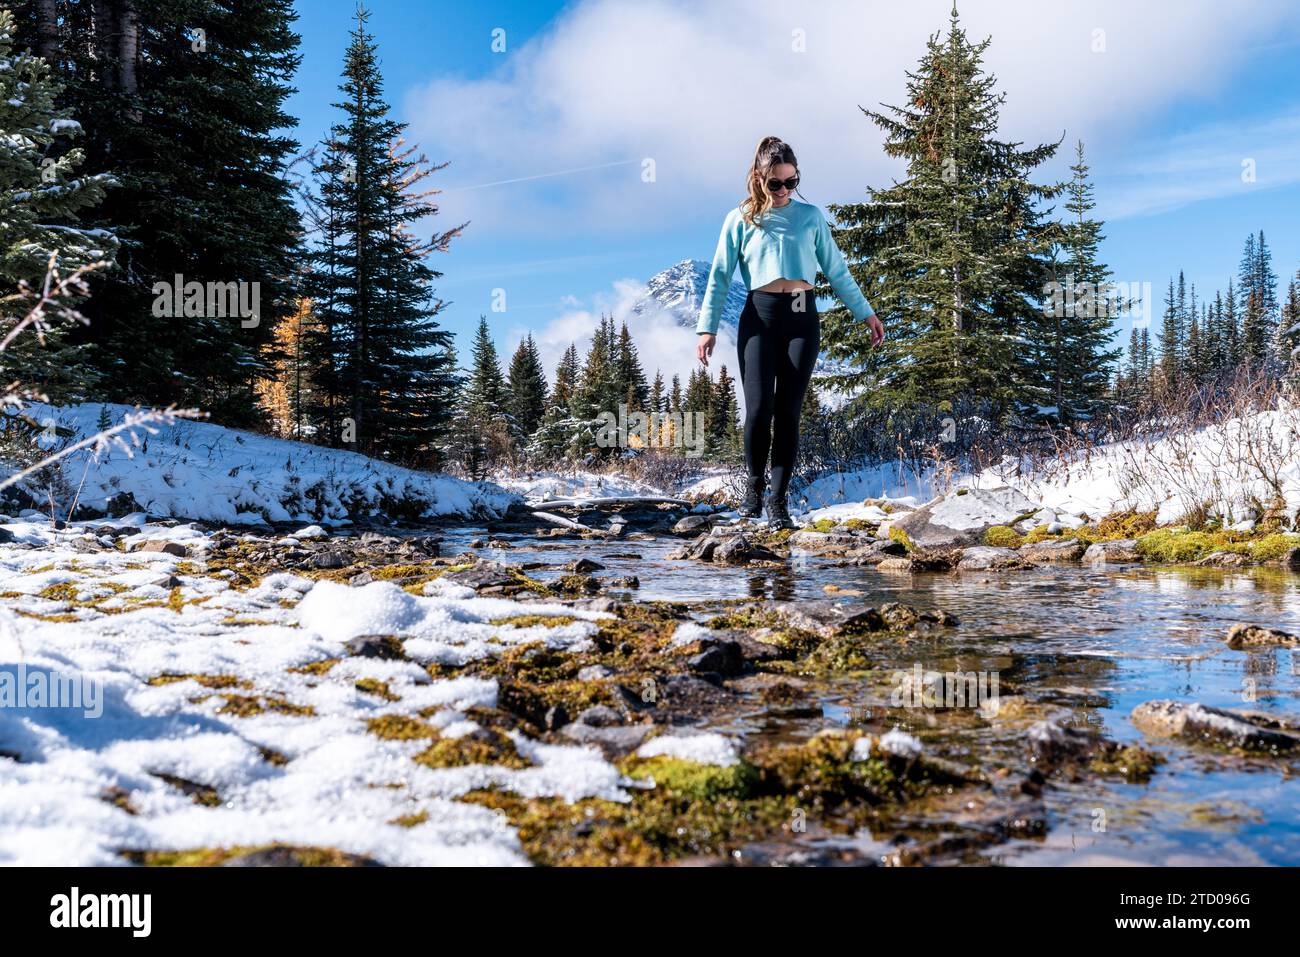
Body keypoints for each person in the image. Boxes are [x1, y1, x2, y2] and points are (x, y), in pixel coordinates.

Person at [695, 135, 885, 528]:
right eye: (775, 183)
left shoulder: (810, 217)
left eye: (791, 182)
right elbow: (720, 275)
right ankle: (753, 490)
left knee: (788, 413)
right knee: (759, 409)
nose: (784, 190)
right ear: (759, 179)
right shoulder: (740, 219)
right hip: (759, 316)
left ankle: (778, 501)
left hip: (801, 315)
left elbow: (837, 270)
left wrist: (865, 313)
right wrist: (707, 328)